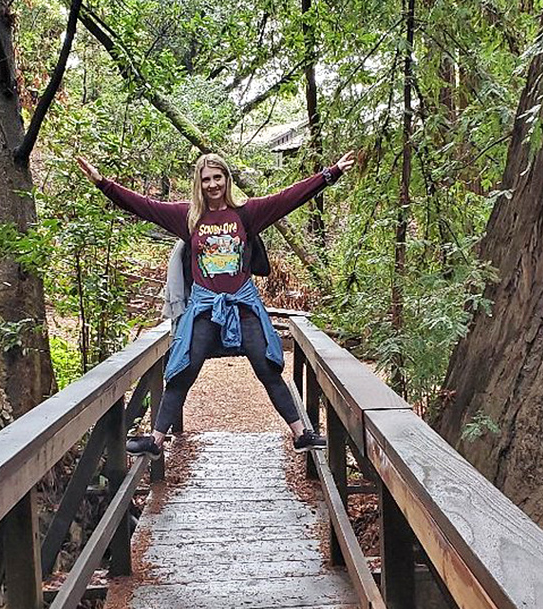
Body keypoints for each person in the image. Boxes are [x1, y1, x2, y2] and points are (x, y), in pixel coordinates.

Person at [76, 149, 355, 456]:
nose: (212, 184)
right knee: (182, 369)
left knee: (268, 368)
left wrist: (331, 173)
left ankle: (301, 434)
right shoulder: (189, 217)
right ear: (199, 182)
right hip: (205, 308)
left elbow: (289, 198)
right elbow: (144, 207)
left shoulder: (246, 213)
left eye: (217, 177)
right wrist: (103, 183)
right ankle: (155, 440)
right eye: (206, 179)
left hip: (243, 305)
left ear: (227, 179)